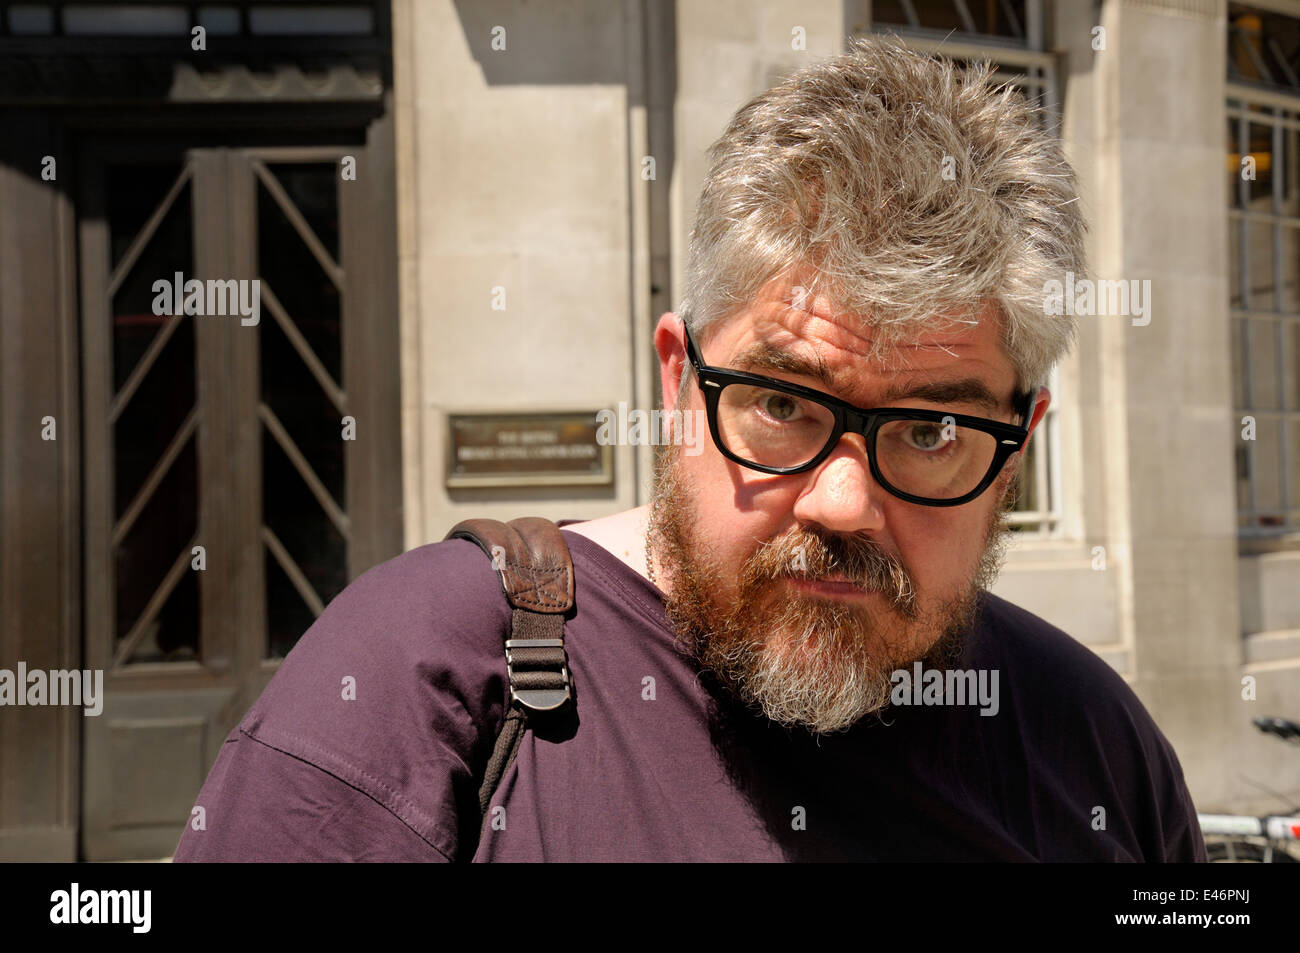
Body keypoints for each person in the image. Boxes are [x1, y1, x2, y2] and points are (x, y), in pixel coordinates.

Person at [173, 37, 1206, 862]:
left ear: (1017, 449)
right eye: (783, 405)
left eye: (932, 429)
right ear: (678, 380)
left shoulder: (1094, 746)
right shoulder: (421, 675)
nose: (843, 503)